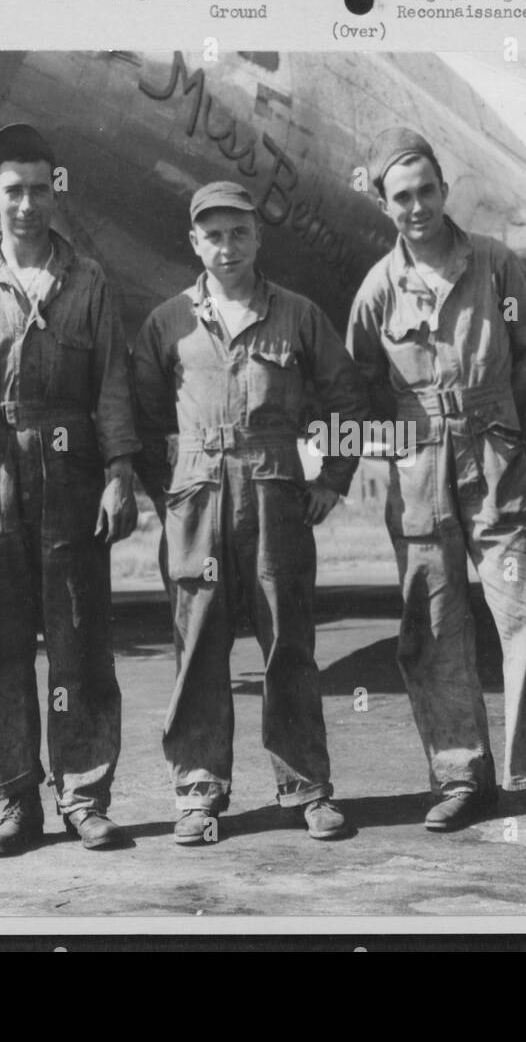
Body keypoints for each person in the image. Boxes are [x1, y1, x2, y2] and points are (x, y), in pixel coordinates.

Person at [346, 128, 526, 840]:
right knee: (433, 625)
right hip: (418, 469)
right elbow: (357, 375)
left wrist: (494, 412)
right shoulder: (378, 288)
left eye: (425, 191)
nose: (415, 206)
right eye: (401, 197)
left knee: (522, 617)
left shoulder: (497, 265)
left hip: (493, 460)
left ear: (444, 191)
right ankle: (460, 777)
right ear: (386, 206)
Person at [0, 123, 140, 855]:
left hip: (73, 483)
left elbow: (111, 385)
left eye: (40, 189)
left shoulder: (89, 281)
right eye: (13, 190)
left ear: (56, 191)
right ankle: (15, 800)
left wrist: (118, 474)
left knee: (81, 645)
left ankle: (83, 798)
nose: (27, 203)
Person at [130, 181, 368, 844]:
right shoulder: (167, 323)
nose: (227, 247)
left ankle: (307, 787)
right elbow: (139, 416)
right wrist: (167, 491)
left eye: (239, 233)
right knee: (199, 643)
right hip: (197, 498)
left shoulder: (297, 315)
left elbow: (348, 396)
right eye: (213, 235)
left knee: (287, 642)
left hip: (275, 495)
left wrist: (336, 478)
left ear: (258, 238)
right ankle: (199, 790)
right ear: (194, 243)